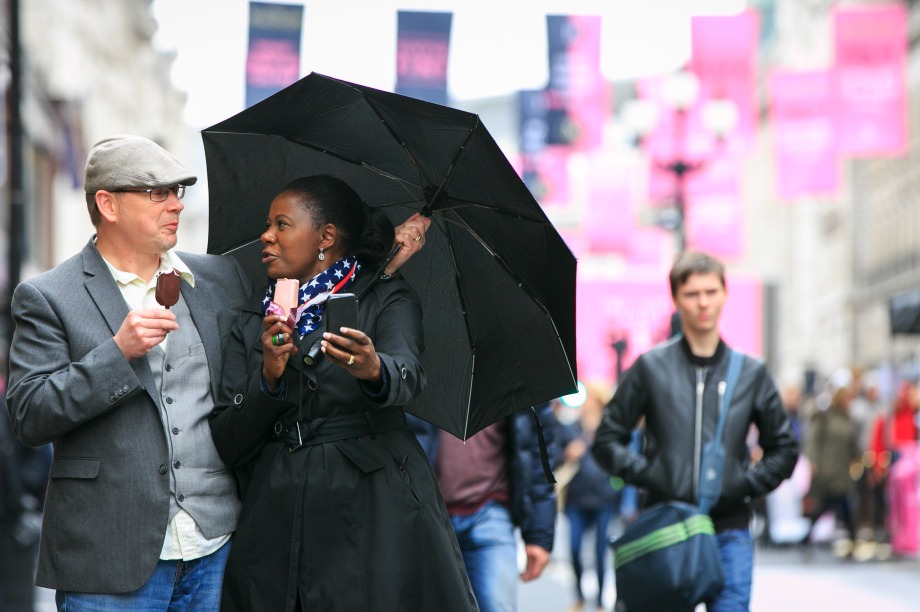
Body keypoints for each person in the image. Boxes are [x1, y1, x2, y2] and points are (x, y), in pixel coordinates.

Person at [5, 136, 429, 611]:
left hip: (217, 549)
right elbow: (28, 415)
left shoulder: (220, 279)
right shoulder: (49, 295)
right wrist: (116, 354)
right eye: (156, 193)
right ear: (108, 203)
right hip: (110, 557)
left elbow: (316, 280)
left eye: (177, 192)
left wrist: (381, 265)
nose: (175, 206)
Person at [208, 175, 477, 611]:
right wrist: (269, 378)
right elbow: (227, 439)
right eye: (268, 224)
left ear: (325, 237)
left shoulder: (384, 297)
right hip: (274, 511)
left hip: (371, 504)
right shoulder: (252, 316)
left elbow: (408, 374)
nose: (266, 235)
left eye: (281, 224)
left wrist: (374, 370)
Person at [591, 251, 798, 612]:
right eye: (692, 294)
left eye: (710, 291)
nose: (703, 302)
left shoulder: (751, 372)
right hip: (666, 524)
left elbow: (783, 448)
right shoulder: (651, 367)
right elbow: (607, 440)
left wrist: (744, 485)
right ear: (676, 299)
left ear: (724, 294)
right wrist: (650, 475)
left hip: (729, 530)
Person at [408, 400, 559, 612]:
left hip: (490, 511)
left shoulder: (515, 369)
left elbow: (538, 448)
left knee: (497, 606)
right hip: (425, 516)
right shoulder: (421, 368)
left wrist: (538, 535)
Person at [557, 386, 620, 612]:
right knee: (573, 548)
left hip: (604, 498)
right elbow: (553, 457)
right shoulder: (571, 429)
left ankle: (602, 601)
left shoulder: (609, 430)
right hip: (576, 499)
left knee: (601, 552)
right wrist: (567, 453)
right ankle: (580, 596)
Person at [800, 378, 860, 557]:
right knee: (822, 508)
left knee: (845, 508)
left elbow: (853, 445)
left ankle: (852, 541)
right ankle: (806, 540)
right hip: (826, 470)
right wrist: (813, 463)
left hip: (842, 471)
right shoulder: (824, 417)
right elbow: (813, 442)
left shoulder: (848, 418)